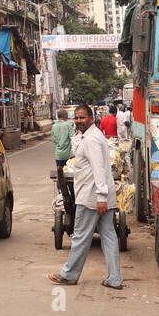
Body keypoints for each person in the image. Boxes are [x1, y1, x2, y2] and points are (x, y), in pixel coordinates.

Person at [49, 104, 122, 290]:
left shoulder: (92, 139)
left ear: (91, 118)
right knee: (109, 237)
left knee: (80, 236)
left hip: (92, 198)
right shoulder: (92, 136)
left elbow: (98, 169)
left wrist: (101, 196)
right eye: (77, 118)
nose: (79, 121)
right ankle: (115, 278)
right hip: (99, 196)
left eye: (82, 118)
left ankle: (69, 275)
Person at [52, 108, 74, 179]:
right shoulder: (68, 125)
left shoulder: (54, 126)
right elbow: (73, 138)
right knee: (69, 175)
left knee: (60, 176)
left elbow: (54, 140)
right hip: (68, 154)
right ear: (65, 116)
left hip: (58, 155)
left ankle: (61, 189)